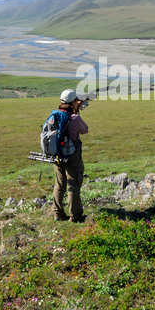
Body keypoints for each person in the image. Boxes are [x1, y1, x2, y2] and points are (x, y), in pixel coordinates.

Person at [53, 89, 88, 223]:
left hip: (57, 155)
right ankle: (75, 216)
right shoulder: (74, 118)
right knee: (73, 184)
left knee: (59, 184)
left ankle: (57, 214)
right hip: (72, 156)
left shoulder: (55, 115)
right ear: (74, 102)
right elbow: (85, 130)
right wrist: (77, 112)